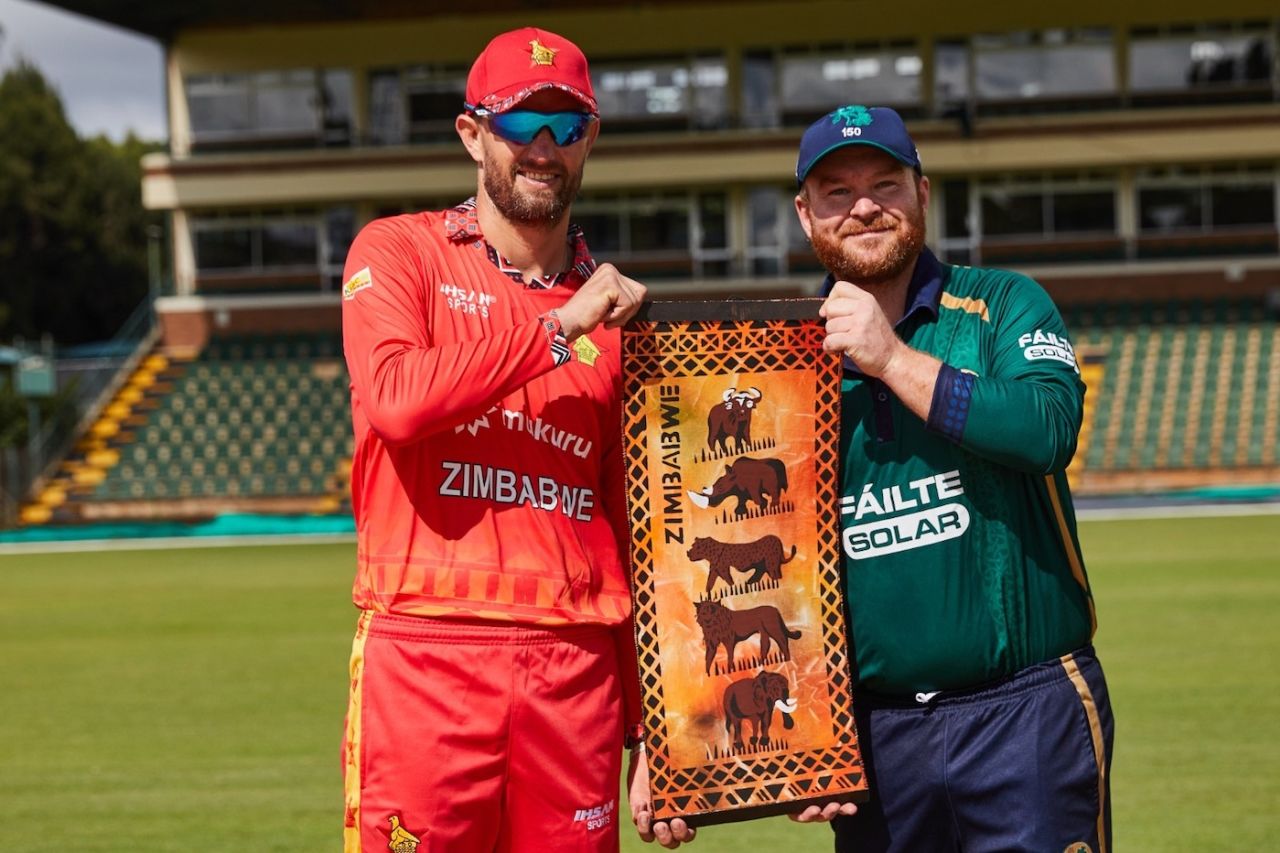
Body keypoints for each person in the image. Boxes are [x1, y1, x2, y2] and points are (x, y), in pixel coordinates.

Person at [338, 26, 691, 853]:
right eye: (517, 123)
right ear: (471, 134)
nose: (542, 148)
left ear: (590, 141)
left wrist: (658, 731)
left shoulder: (616, 314)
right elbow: (395, 400)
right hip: (427, 649)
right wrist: (558, 328)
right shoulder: (398, 251)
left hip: (576, 671)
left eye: (565, 128)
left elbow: (637, 528)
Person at [792, 105, 1115, 853]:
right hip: (874, 736)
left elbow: (1046, 428)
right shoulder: (785, 359)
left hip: (1025, 714)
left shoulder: (1002, 303)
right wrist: (803, 736)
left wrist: (890, 359)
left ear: (923, 194)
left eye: (885, 183)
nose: (864, 205)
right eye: (836, 192)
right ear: (806, 216)